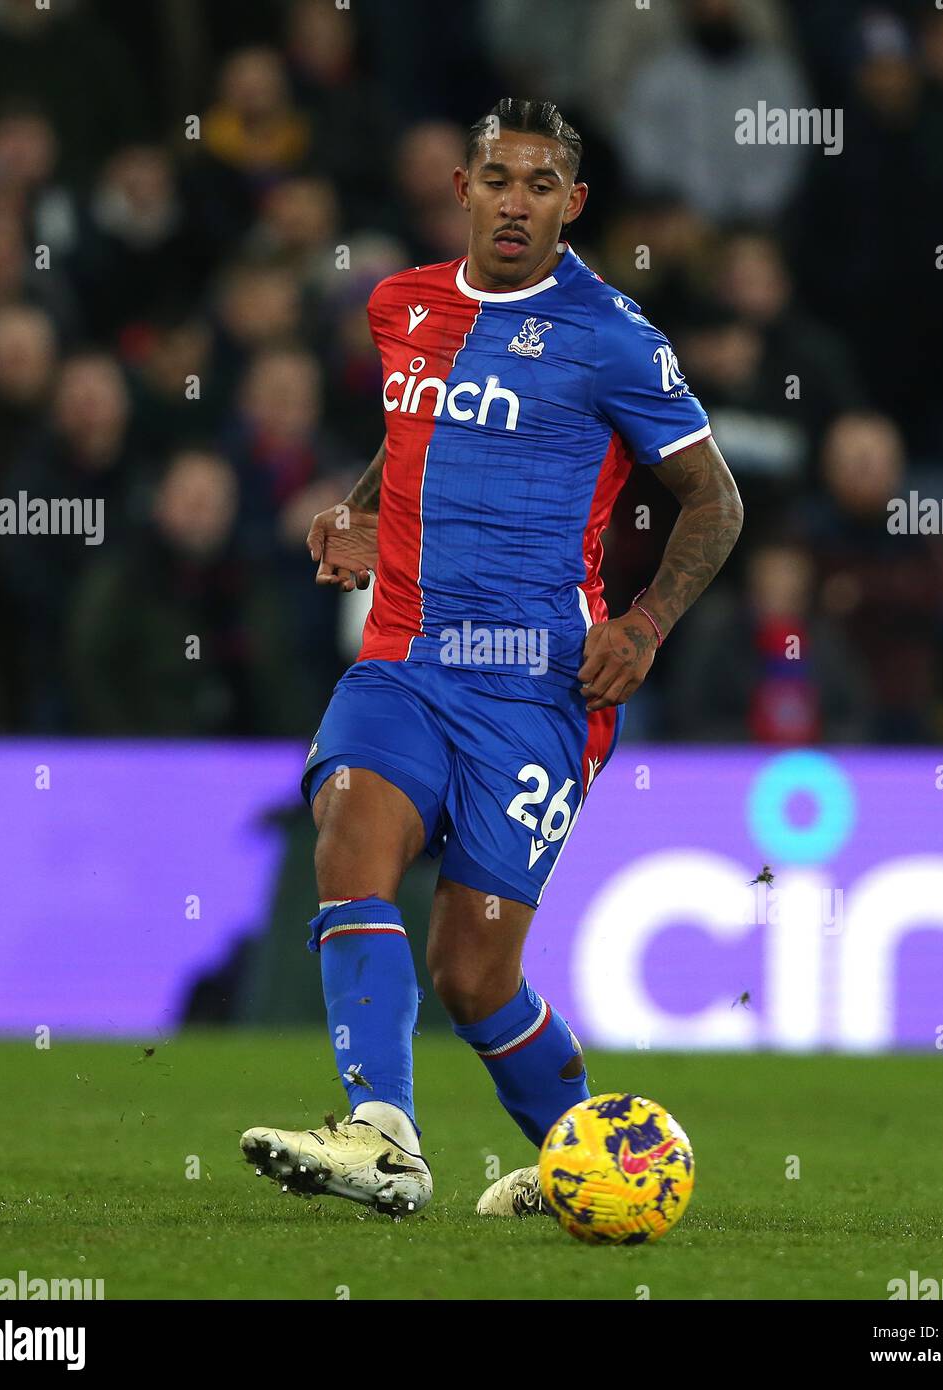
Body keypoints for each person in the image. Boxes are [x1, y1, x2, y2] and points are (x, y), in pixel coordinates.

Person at [240, 98, 743, 1219]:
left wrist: (647, 623)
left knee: (471, 975)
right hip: (406, 656)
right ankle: (383, 1133)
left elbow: (714, 497)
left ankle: (590, 1157)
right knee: (350, 824)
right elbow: (412, 423)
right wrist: (361, 511)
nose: (515, 201)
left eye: (540, 183)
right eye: (497, 178)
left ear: (572, 203)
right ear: (461, 187)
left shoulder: (612, 334)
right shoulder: (396, 306)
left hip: (539, 686)